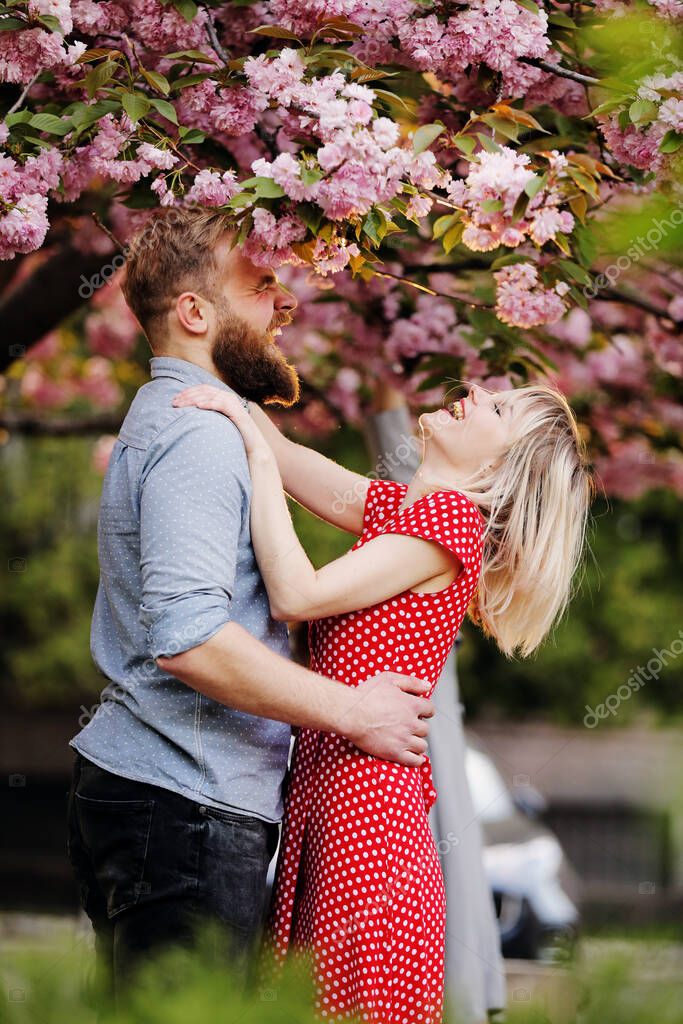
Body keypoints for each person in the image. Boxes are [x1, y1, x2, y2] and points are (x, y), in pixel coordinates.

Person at [65, 207, 435, 1001]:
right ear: (195, 313)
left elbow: (342, 493)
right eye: (262, 283)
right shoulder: (198, 436)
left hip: (166, 797)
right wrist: (354, 711)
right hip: (183, 799)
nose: (286, 301)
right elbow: (191, 639)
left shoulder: (197, 418)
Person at [171, 375, 594, 1024]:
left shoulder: (449, 521)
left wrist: (254, 456)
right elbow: (291, 457)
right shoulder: (404, 510)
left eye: (499, 408)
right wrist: (216, 383)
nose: (476, 390)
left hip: (366, 824)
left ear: (501, 466)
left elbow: (297, 595)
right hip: (344, 808)